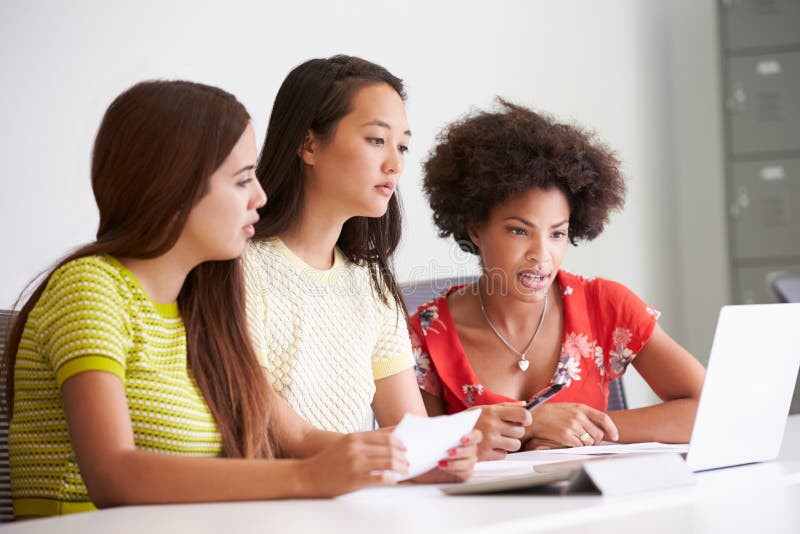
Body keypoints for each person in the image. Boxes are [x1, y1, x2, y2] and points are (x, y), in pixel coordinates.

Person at [4, 80, 478, 518]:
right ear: (174, 188)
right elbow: (112, 476)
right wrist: (306, 478)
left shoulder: (202, 306)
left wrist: (407, 463)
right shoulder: (90, 287)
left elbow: (296, 436)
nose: (260, 197)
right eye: (241, 180)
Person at [409, 100, 706, 459]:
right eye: (519, 231)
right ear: (475, 228)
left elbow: (706, 408)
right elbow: (417, 451)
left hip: (587, 494)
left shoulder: (605, 305)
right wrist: (532, 425)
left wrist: (582, 429)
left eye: (557, 234)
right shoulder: (425, 335)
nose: (541, 254)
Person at [244, 55, 426, 434]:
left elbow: (413, 433)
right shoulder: (242, 265)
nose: (395, 164)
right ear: (309, 145)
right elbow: (260, 424)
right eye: (377, 140)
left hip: (348, 473)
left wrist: (471, 435)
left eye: (402, 147)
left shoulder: (371, 283)